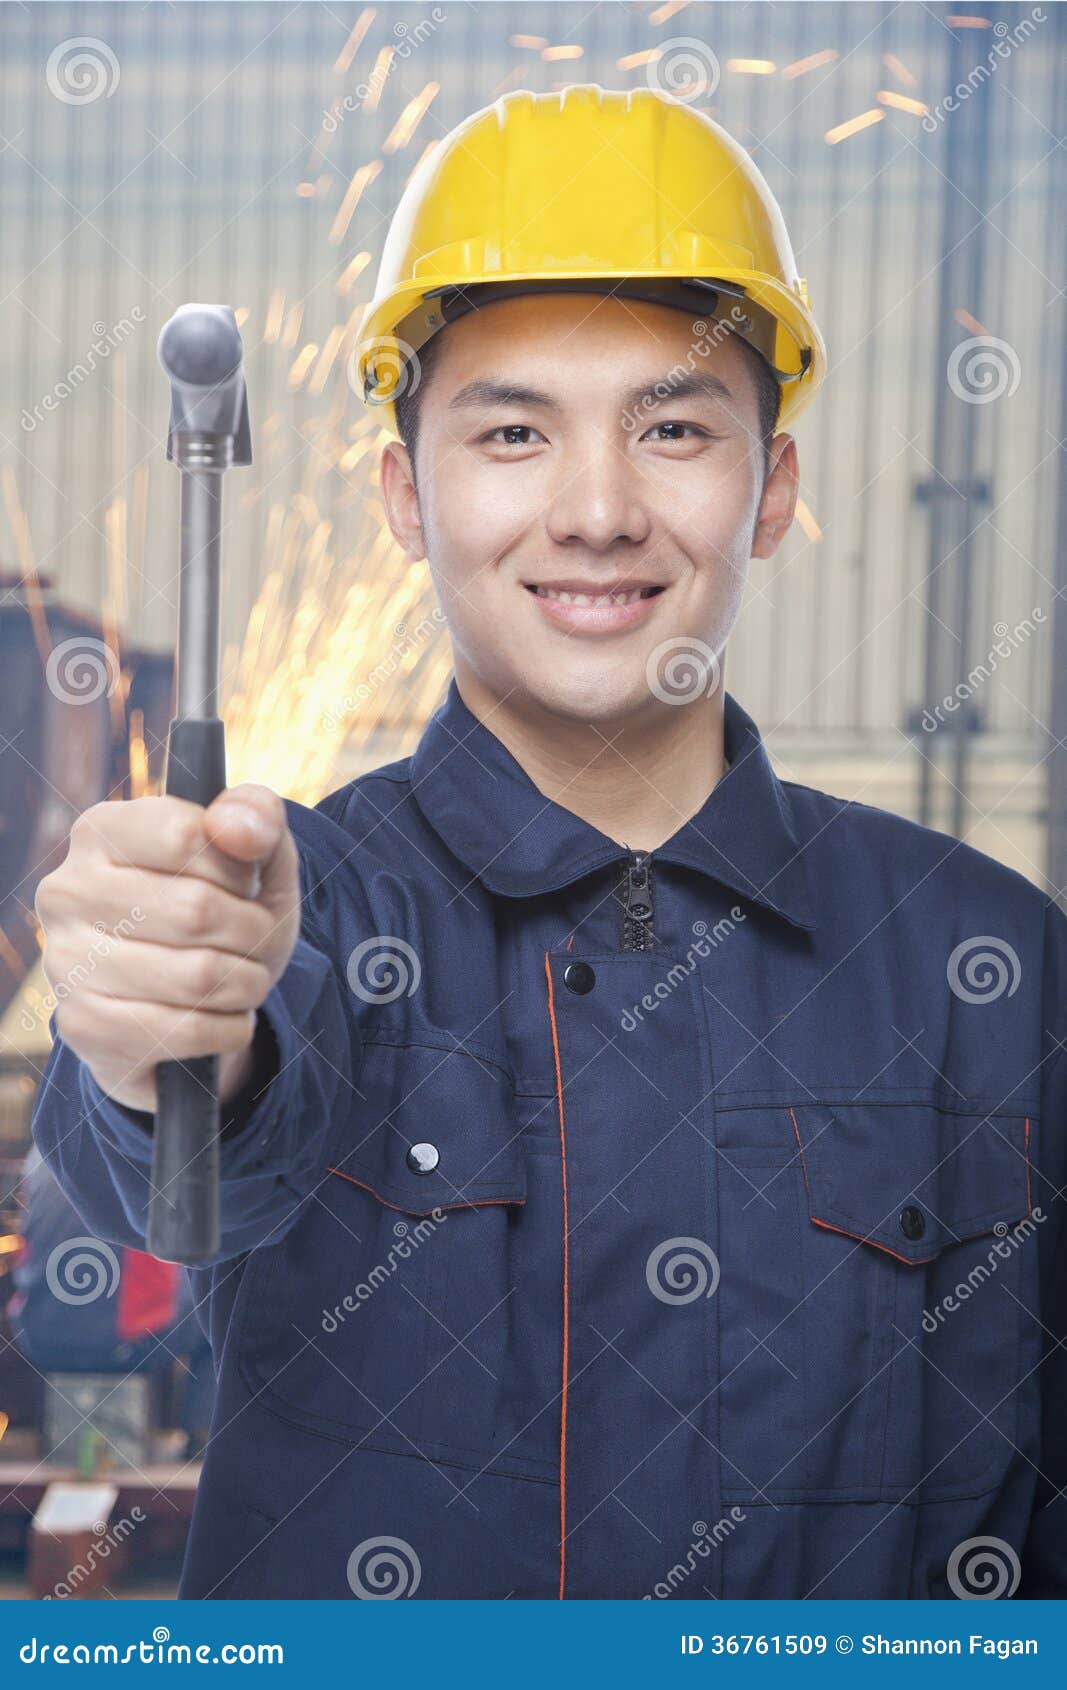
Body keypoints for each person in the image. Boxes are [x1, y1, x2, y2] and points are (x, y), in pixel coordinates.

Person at [30, 85, 1066, 1600]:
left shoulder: (991, 961)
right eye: (513, 430)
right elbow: (150, 1173)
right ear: (406, 492)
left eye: (675, 426)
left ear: (773, 489)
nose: (596, 509)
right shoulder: (290, 915)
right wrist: (151, 1040)